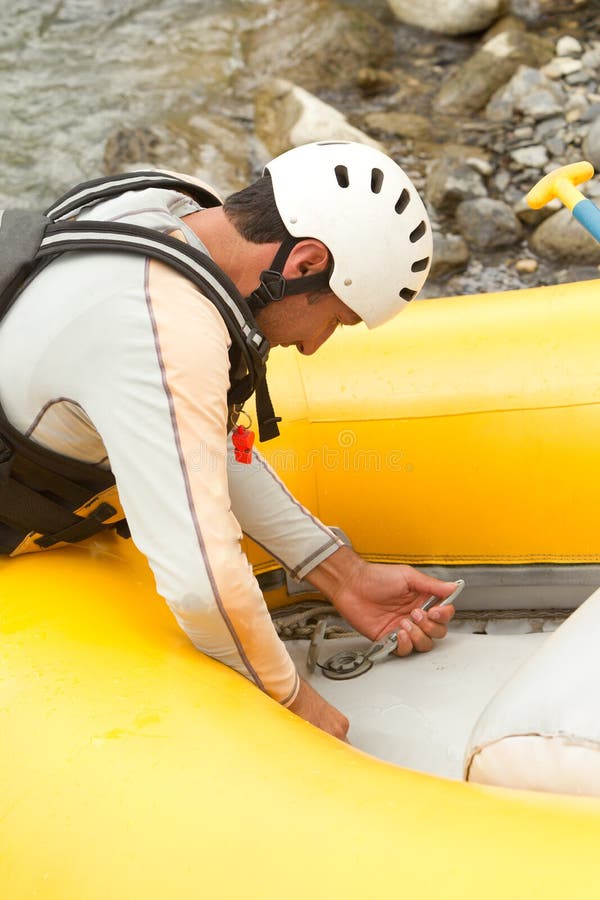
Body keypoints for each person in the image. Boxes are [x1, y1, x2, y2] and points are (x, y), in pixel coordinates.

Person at [0, 140, 456, 741]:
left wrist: (344, 576)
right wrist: (292, 702)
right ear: (305, 262)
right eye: (337, 319)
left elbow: (199, 442)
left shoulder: (170, 206)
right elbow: (200, 580)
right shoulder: (160, 325)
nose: (316, 345)